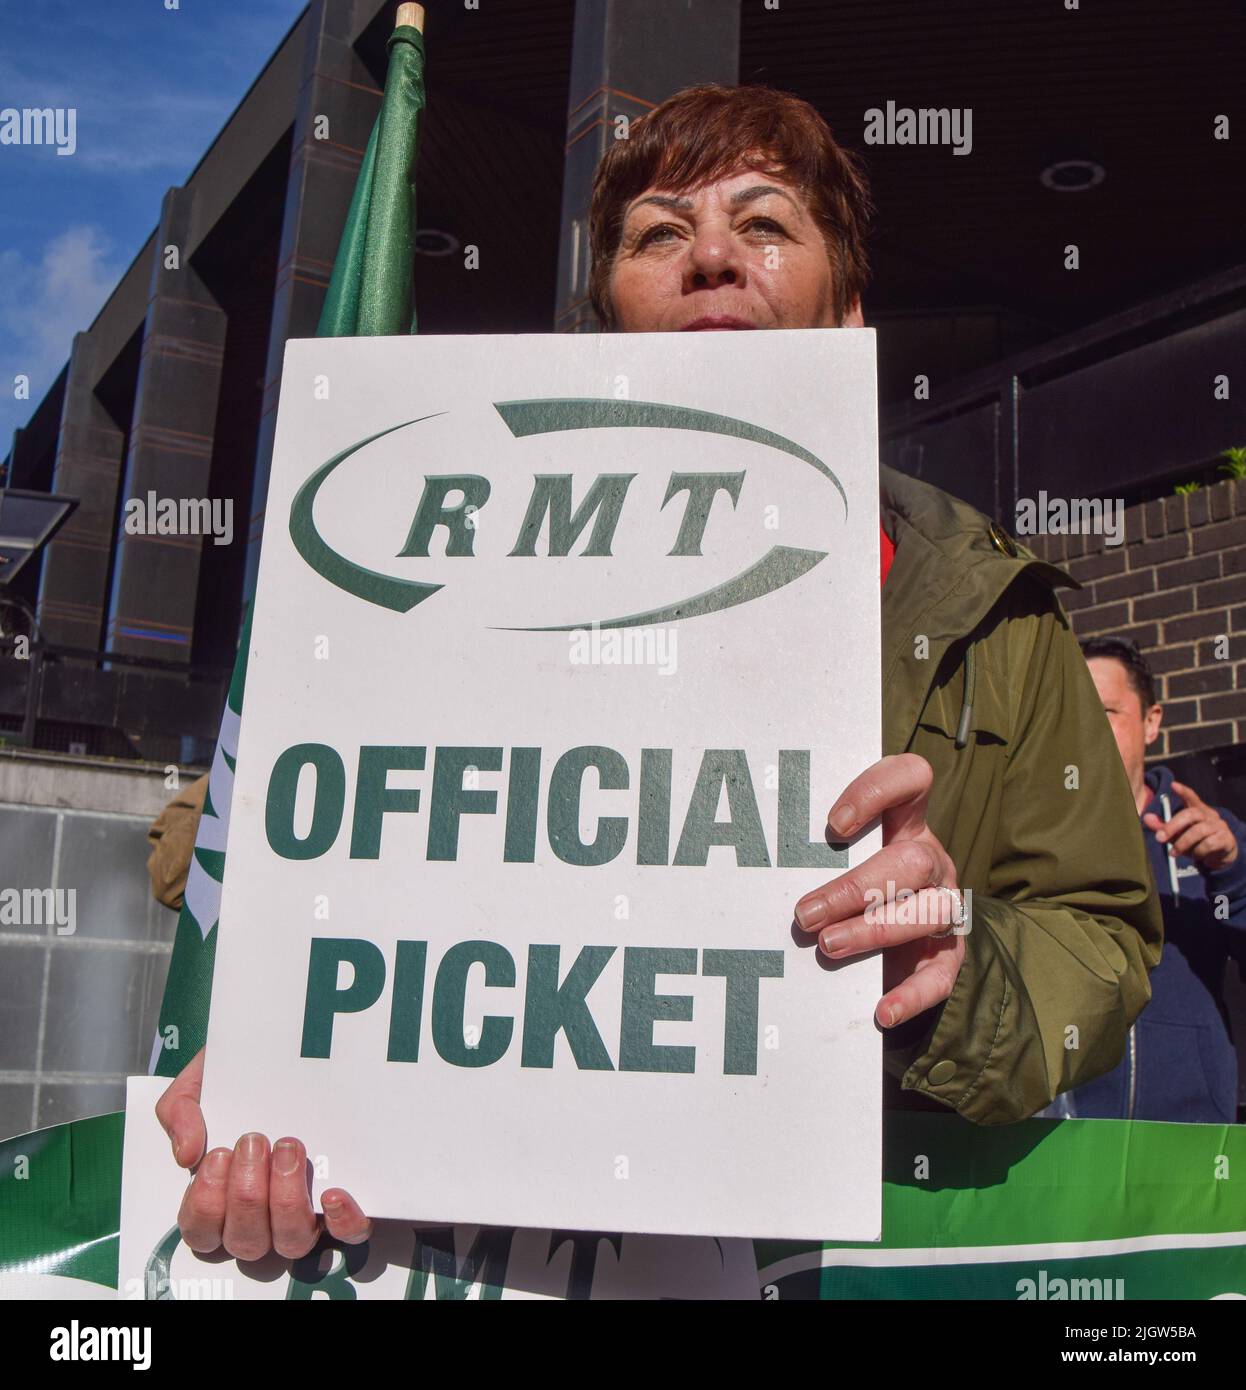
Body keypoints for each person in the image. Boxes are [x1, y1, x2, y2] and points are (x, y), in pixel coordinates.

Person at [156, 82, 1161, 1261]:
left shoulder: (994, 606)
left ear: (845, 311)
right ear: (610, 324)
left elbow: (1101, 938)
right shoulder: (446, 566)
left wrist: (958, 964)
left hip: (856, 1245)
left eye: (767, 223)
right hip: (496, 1239)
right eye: (660, 234)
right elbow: (239, 842)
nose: (713, 260)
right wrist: (296, 1048)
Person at [1055, 637, 1246, 1122]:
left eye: (1108, 711)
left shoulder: (1214, 833)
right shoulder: (1036, 840)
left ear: (1151, 721)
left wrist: (1232, 872)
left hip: (1192, 1133)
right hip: (1064, 1136)